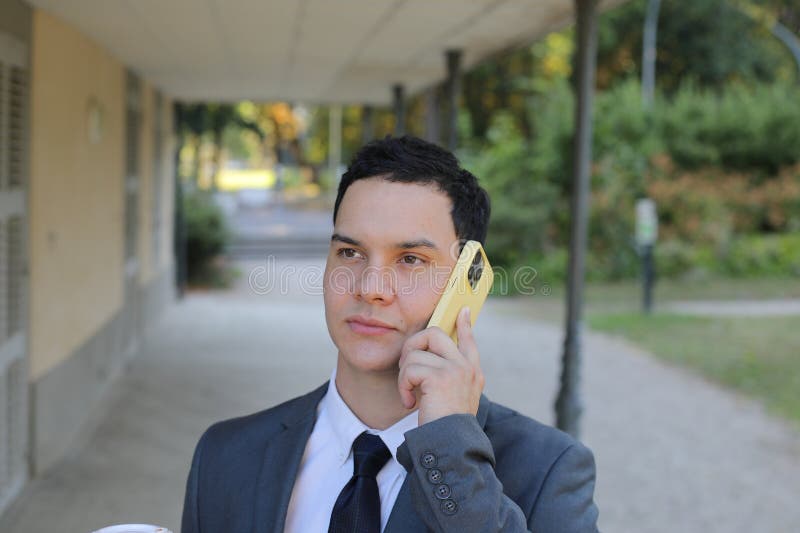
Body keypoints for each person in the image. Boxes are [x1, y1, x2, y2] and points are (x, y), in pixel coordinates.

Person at [180, 136, 600, 533]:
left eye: (411, 260)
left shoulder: (549, 470)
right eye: (350, 252)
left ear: (465, 286)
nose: (370, 288)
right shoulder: (225, 455)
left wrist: (451, 450)